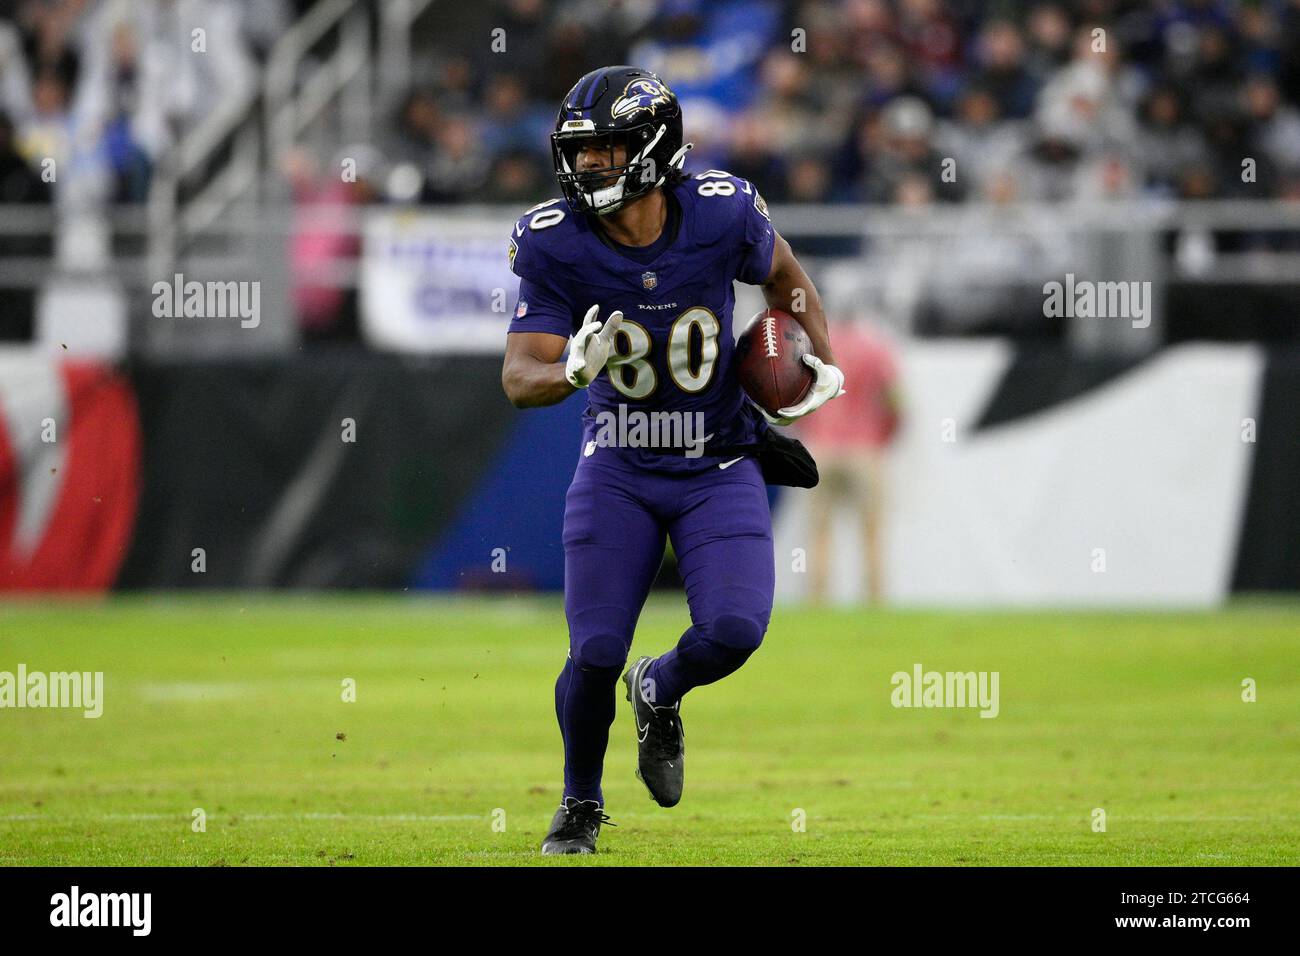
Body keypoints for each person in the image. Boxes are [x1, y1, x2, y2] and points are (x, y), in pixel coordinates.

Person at [500, 66, 845, 854]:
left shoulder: (721, 213)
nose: (588, 168)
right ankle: (579, 804)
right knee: (593, 651)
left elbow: (786, 279)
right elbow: (520, 378)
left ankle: (661, 687)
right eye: (579, 154)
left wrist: (818, 365)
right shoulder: (557, 240)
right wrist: (572, 373)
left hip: (716, 457)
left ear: (652, 148)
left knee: (734, 628)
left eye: (606, 152)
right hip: (619, 460)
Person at [798, 320, 901, 605]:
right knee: (872, 531)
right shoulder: (875, 347)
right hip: (864, 449)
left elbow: (797, 399)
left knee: (818, 531)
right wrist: (885, 434)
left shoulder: (816, 348)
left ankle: (817, 601)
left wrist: (808, 433)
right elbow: (895, 399)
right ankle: (874, 601)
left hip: (822, 449)